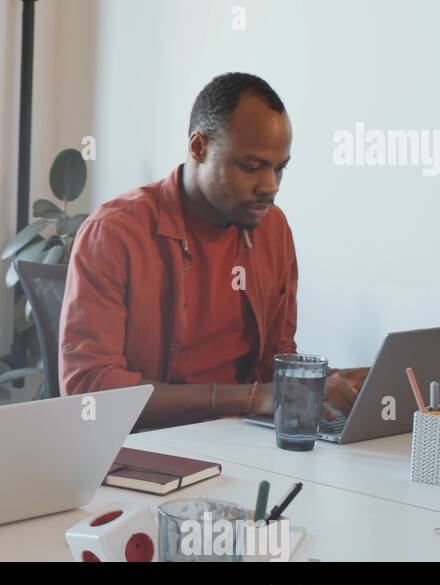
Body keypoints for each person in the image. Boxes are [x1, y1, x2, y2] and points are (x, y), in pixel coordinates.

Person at [59, 72, 366, 429]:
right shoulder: (115, 233)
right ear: (198, 148)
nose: (270, 186)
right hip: (147, 447)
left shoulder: (273, 228)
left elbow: (275, 362)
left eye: (279, 169)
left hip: (247, 440)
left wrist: (333, 384)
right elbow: (89, 390)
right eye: (252, 167)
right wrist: (250, 398)